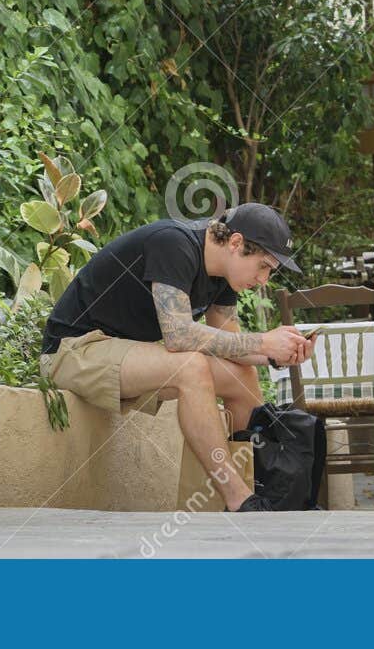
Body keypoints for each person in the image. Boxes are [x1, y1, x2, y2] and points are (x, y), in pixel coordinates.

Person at [40, 202, 315, 513]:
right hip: (73, 352)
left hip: (120, 355)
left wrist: (277, 355)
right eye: (263, 266)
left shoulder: (223, 276)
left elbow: (235, 350)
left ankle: (261, 491)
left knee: (239, 376)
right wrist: (264, 342)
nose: (264, 279)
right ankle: (240, 501)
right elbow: (179, 335)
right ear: (236, 243)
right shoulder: (173, 243)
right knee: (190, 367)